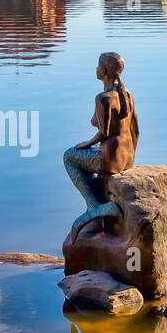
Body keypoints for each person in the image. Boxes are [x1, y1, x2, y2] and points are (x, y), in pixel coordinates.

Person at [63, 52, 140, 235]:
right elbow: (135, 131)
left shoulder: (103, 98)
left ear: (104, 71)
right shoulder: (127, 94)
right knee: (88, 153)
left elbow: (103, 133)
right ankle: (99, 201)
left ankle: (94, 206)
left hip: (110, 160)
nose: (96, 69)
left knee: (69, 156)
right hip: (127, 159)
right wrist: (129, 157)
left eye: (98, 66)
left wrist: (87, 143)